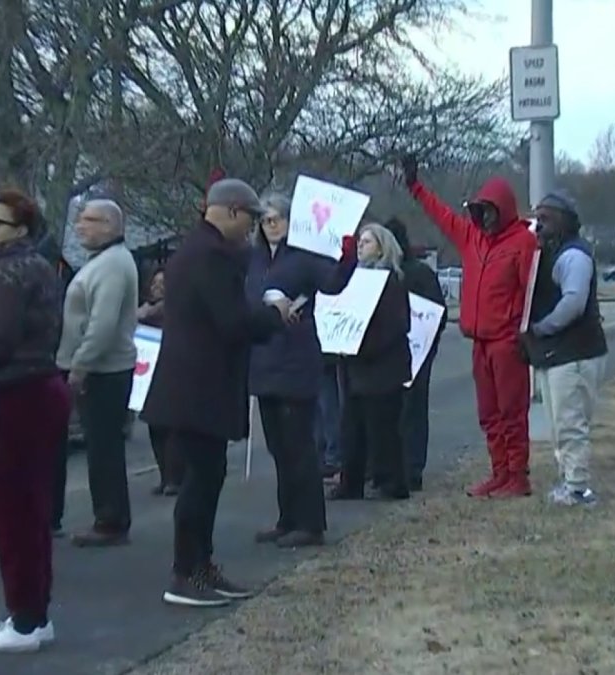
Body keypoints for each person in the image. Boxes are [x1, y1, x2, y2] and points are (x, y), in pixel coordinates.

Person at [141, 178, 294, 607]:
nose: (252, 229)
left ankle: (201, 566)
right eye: (250, 219)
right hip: (197, 386)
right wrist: (273, 315)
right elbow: (230, 322)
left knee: (207, 477)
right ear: (229, 210)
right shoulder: (210, 255)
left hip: (193, 384)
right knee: (200, 481)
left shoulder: (198, 250)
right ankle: (186, 572)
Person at [401, 154, 539, 497]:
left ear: (503, 211)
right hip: (479, 338)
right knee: (489, 412)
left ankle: (517, 476)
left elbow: (531, 289)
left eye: (490, 212)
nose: (485, 218)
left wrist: (525, 331)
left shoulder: (522, 241)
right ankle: (499, 471)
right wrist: (415, 186)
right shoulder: (471, 238)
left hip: (507, 340)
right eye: (481, 212)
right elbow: (442, 214)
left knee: (511, 410)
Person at [0, 189, 70, 653]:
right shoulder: (37, 266)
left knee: (10, 511)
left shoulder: (7, 270)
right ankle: (32, 612)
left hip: (15, 392)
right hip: (38, 386)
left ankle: (25, 617)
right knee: (30, 508)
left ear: (20, 230)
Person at [247, 193, 355, 548]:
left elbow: (334, 282)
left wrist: (348, 255)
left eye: (277, 218)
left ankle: (311, 522)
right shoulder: (256, 260)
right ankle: (287, 517)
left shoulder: (305, 259)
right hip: (264, 361)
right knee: (278, 446)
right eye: (265, 220)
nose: (271, 224)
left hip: (295, 358)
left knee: (299, 446)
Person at [55, 199, 140, 547]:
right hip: (102, 367)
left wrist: (80, 366)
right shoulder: (104, 262)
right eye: (80, 219)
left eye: (90, 220)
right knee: (101, 446)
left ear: (111, 226)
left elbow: (102, 324)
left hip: (103, 370)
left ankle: (110, 519)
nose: (80, 226)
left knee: (103, 448)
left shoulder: (112, 265)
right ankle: (110, 515)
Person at [519, 191, 608, 507]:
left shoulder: (573, 256)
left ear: (565, 221)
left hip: (574, 353)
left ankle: (578, 488)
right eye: (537, 217)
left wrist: (540, 328)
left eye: (546, 218)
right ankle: (569, 480)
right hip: (555, 354)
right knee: (558, 424)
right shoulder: (548, 252)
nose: (538, 224)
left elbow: (573, 303)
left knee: (570, 423)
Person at [328, 223, 412, 501]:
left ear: (382, 246)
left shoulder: (391, 280)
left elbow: (394, 325)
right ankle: (351, 481)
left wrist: (362, 346)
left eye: (367, 241)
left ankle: (391, 481)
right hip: (354, 365)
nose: (361, 245)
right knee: (352, 427)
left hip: (382, 366)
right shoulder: (353, 278)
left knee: (383, 428)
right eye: (360, 241)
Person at [385, 218, 446, 491]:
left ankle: (407, 467)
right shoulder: (418, 273)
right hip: (403, 351)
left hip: (414, 350)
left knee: (408, 410)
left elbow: (435, 315)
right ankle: (406, 467)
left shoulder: (413, 274)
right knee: (408, 411)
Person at [138, 268, 183, 496]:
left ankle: (174, 478)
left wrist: (143, 313)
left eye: (162, 283)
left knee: (170, 428)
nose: (158, 287)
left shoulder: (172, 307)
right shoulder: (147, 307)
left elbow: (148, 315)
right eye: (155, 283)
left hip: (170, 372)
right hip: (148, 376)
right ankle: (165, 476)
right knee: (155, 428)